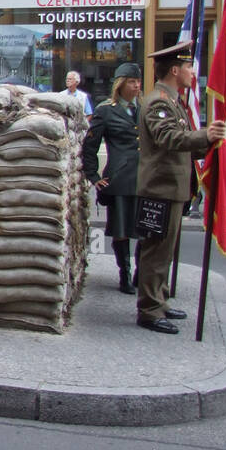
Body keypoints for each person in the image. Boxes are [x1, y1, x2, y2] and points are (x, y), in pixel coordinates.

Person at [135, 41, 226, 334]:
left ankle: (158, 301)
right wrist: (205, 135)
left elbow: (182, 145)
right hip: (159, 188)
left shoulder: (173, 100)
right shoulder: (159, 101)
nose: (192, 71)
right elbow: (169, 140)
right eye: (188, 66)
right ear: (174, 70)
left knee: (166, 251)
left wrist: (208, 144)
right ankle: (149, 310)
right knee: (156, 251)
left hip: (172, 187)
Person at [82, 62, 142, 294]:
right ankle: (125, 274)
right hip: (120, 179)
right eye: (131, 81)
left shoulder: (145, 107)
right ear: (120, 84)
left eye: (138, 82)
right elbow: (90, 146)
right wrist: (94, 175)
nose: (136, 86)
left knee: (145, 231)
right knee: (121, 231)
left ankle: (140, 273)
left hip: (145, 178)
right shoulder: (106, 110)